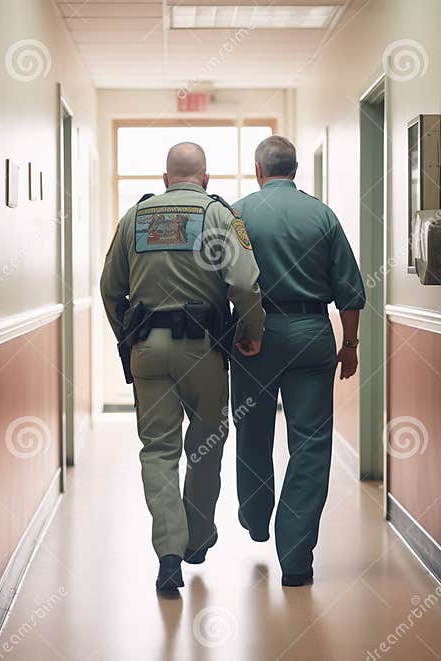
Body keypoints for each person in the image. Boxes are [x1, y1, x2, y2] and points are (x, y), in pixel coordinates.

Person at [100, 142, 266, 591]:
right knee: (206, 443)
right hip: (203, 350)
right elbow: (245, 284)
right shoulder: (217, 215)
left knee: (158, 450)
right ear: (205, 178)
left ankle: (168, 553)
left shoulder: (134, 217)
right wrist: (250, 331)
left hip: (147, 349)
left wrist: (127, 335)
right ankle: (197, 537)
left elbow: (109, 288)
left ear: (165, 179)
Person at [231, 136, 365, 587]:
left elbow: (220, 280)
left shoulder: (237, 214)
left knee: (253, 430)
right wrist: (350, 344)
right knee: (310, 443)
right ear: (295, 169)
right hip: (312, 333)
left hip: (254, 335)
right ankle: (295, 558)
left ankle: (255, 516)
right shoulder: (322, 215)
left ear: (258, 170)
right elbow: (349, 289)